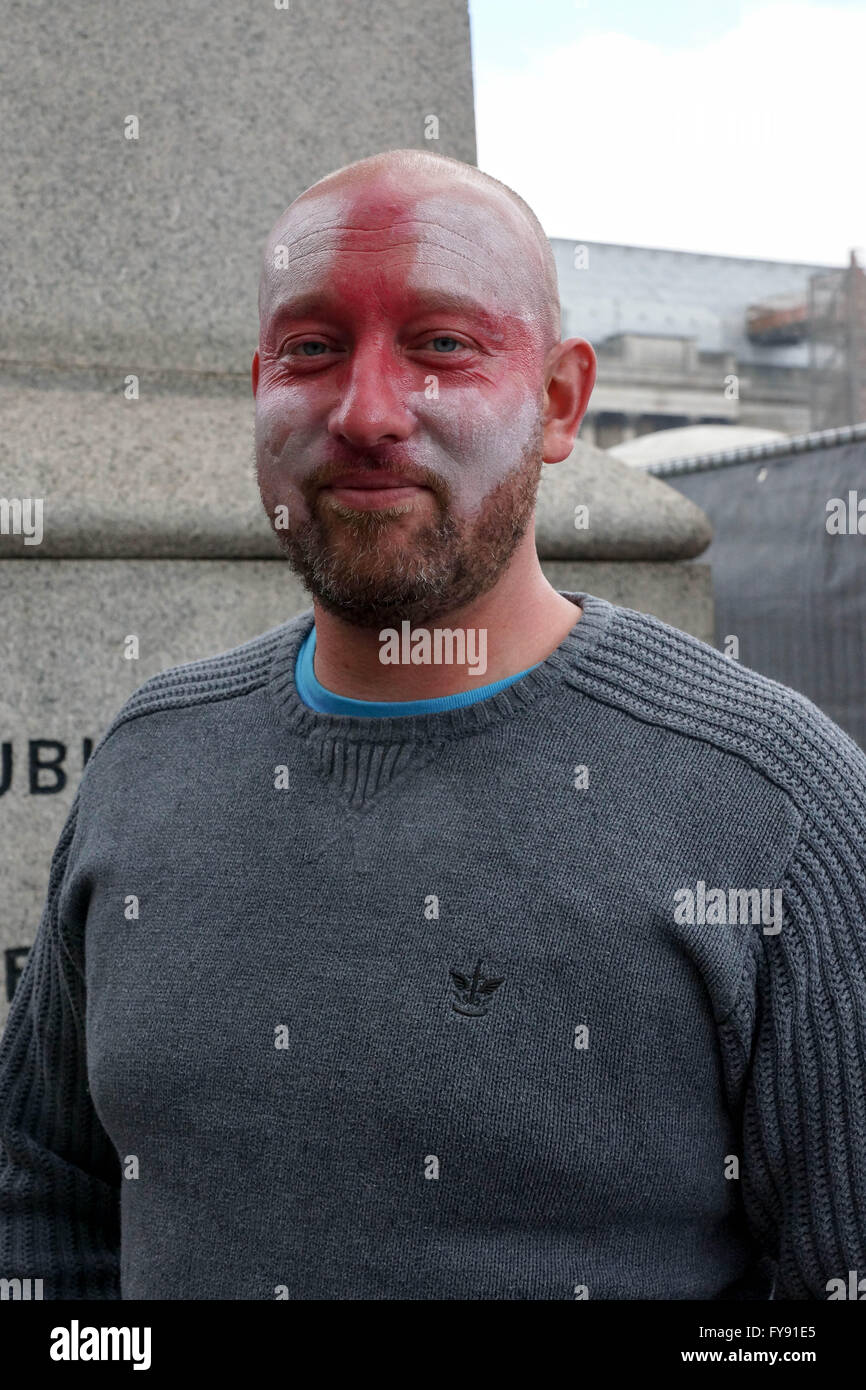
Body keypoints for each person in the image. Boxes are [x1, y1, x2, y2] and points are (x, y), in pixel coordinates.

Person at [1, 149, 865, 1301]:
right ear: (259, 387)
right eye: (311, 350)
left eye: (442, 345)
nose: (365, 413)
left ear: (557, 402)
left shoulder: (776, 810)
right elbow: (42, 1190)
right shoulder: (147, 761)